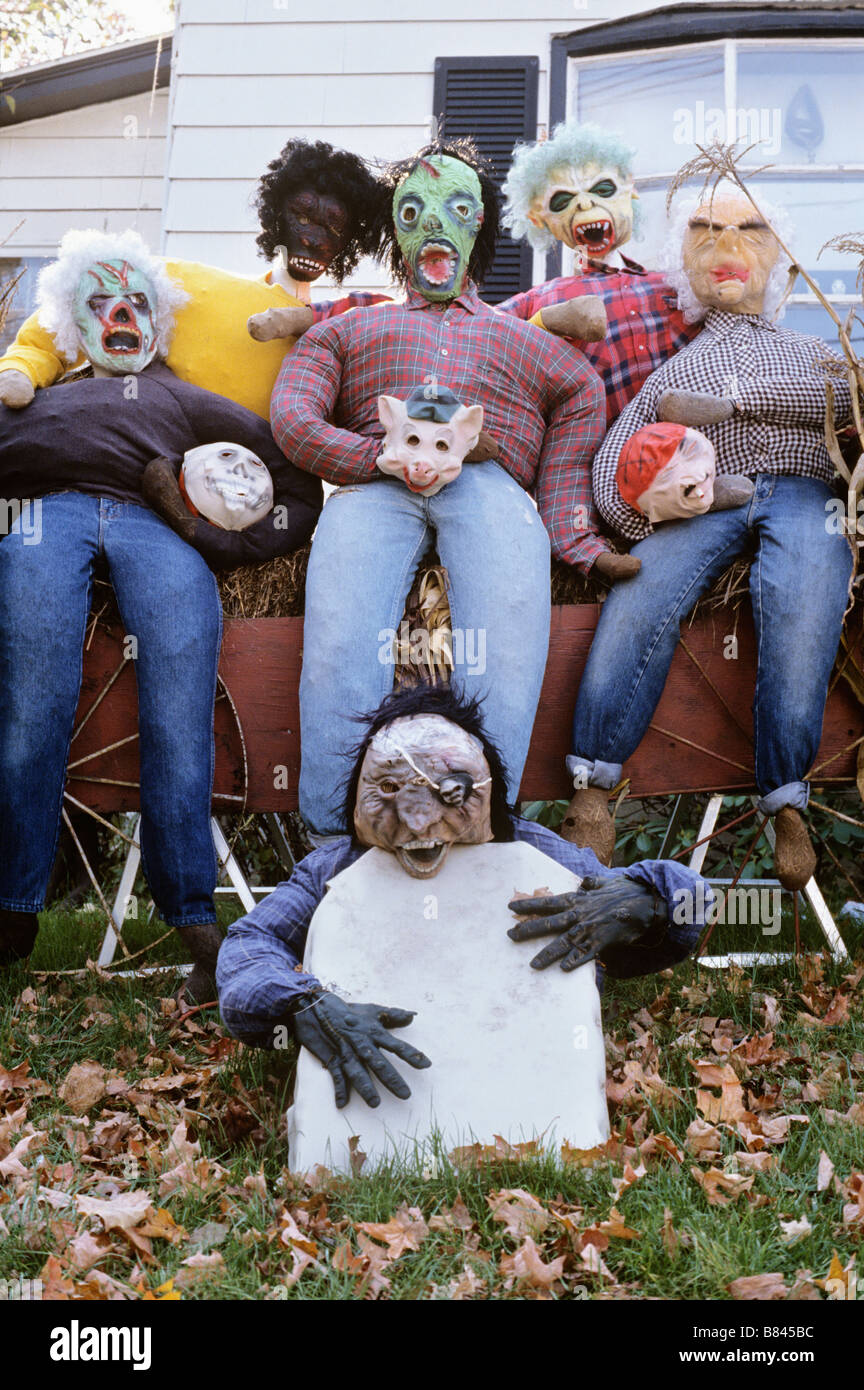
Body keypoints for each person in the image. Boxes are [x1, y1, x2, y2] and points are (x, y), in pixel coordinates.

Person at [0, 230, 322, 994]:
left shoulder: (183, 397)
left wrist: (219, 538)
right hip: (52, 517)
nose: (121, 316)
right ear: (74, 322)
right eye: (101, 304)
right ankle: (12, 905)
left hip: (157, 520)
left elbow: (292, 479)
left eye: (136, 302)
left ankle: (190, 912)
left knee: (181, 693)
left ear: (161, 315)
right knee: (32, 693)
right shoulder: (50, 399)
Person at [269, 138, 609, 840]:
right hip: (372, 487)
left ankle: (488, 825)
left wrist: (560, 517)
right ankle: (333, 837)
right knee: (341, 638)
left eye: (456, 207)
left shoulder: (521, 337)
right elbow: (292, 419)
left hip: (489, 485)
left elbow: (583, 392)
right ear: (395, 228)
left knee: (507, 633)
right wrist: (376, 455)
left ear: (478, 222)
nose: (434, 225)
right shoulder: (350, 328)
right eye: (413, 209)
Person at [216, 684, 710, 1110]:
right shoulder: (334, 869)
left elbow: (695, 906)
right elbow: (245, 951)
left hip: (527, 1084)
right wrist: (302, 1005)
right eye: (388, 787)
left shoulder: (534, 854)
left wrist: (645, 900)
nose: (418, 820)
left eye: (450, 790)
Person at [563, 190, 854, 886]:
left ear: (776, 257)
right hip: (707, 499)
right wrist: (642, 524)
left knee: (803, 598)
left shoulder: (817, 357)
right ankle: (593, 786)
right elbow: (613, 459)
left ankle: (786, 797)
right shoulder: (678, 366)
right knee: (642, 591)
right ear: (683, 262)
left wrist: (738, 405)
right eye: (708, 234)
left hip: (806, 491)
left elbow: (847, 403)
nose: (729, 248)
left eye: (750, 231)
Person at [0, 139, 386, 419]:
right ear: (274, 214)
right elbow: (65, 320)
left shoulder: (344, 324)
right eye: (301, 217)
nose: (311, 236)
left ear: (349, 242)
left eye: (332, 227)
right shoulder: (182, 283)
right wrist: (21, 368)